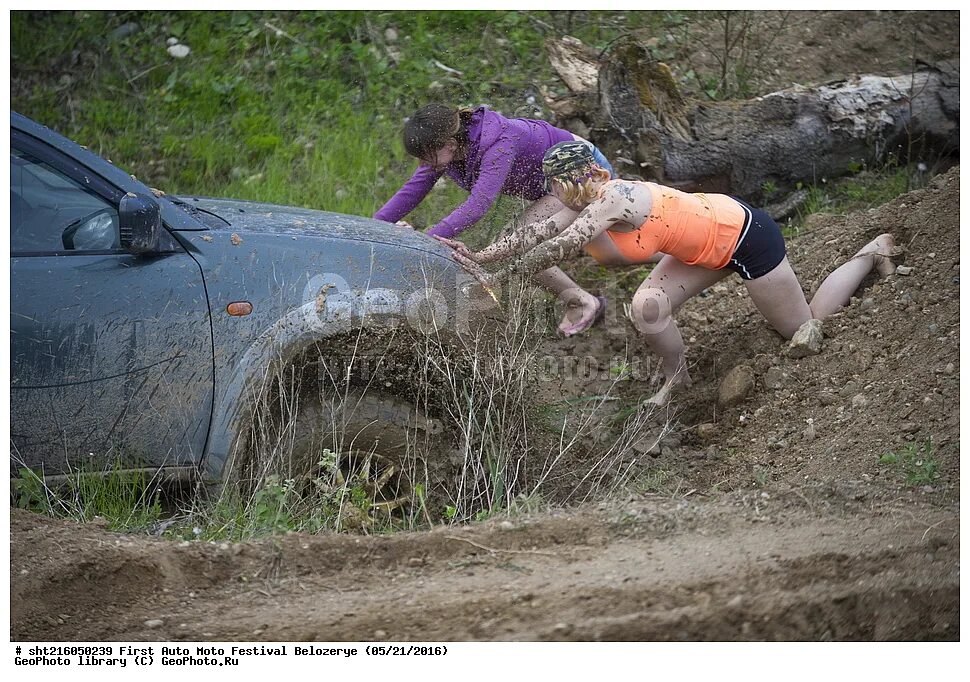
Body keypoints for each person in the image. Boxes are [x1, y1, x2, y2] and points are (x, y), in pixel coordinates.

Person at [445, 140, 898, 406]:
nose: (553, 194)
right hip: (702, 251)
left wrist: (496, 280)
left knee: (803, 329)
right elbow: (538, 231)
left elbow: (559, 244)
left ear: (580, 178)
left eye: (557, 185)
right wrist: (481, 257)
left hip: (746, 237)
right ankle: (675, 381)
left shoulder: (612, 198)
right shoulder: (581, 201)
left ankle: (870, 252)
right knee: (647, 307)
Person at [374, 103, 631, 336]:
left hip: (580, 172)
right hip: (553, 185)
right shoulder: (448, 148)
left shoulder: (499, 142)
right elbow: (413, 190)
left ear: (449, 145)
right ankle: (669, 251)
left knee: (513, 245)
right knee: (614, 255)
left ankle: (584, 303)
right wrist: (375, 228)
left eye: (424, 156)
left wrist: (426, 240)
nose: (422, 163)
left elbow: (478, 205)